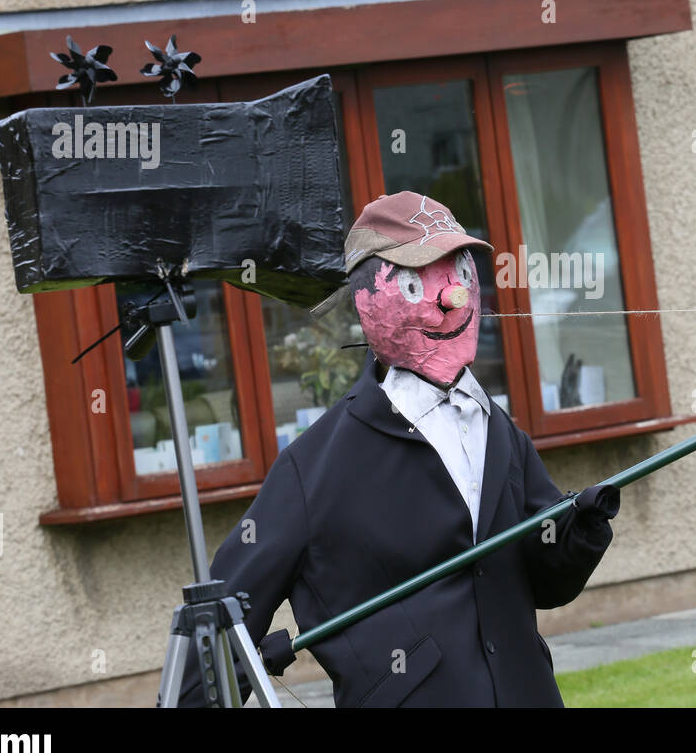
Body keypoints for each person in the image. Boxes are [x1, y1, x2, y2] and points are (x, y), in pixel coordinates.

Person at [177, 191, 618, 707]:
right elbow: (221, 620)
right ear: (368, 301)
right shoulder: (314, 467)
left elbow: (545, 583)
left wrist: (578, 527)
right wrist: (231, 669)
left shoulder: (496, 427)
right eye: (418, 280)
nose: (453, 297)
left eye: (461, 272)